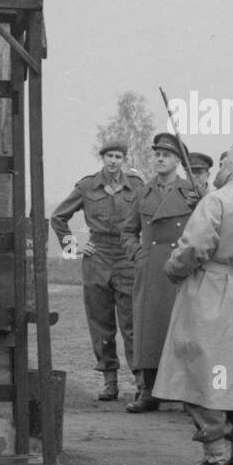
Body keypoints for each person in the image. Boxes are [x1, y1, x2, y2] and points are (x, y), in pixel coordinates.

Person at [155, 138, 233, 465]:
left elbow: (194, 248)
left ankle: (214, 457)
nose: (220, 167)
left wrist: (173, 268)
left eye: (225, 161)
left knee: (202, 370)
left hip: (210, 289)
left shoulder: (217, 200)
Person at [51, 141, 143, 401]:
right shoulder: (87, 186)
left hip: (127, 257)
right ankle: (109, 381)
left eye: (118, 156)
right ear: (102, 158)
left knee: (132, 323)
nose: (113, 161)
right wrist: (73, 247)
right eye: (109, 156)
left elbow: (150, 215)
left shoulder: (136, 186)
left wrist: (142, 246)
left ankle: (140, 383)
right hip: (97, 256)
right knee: (101, 323)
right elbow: (58, 217)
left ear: (124, 159)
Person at [121, 133, 200, 413]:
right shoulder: (143, 192)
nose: (159, 159)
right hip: (151, 266)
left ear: (178, 160)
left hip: (180, 265)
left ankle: (186, 393)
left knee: (181, 328)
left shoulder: (191, 192)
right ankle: (148, 390)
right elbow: (128, 230)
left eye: (166, 155)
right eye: (156, 154)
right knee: (148, 327)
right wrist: (138, 254)